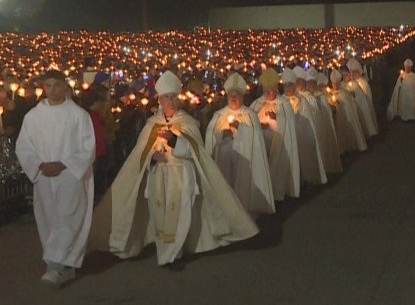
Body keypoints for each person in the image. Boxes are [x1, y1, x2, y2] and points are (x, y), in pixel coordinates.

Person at [89, 71, 258, 271]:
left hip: (181, 175)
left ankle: (174, 254)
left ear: (178, 99)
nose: (169, 101)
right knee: (160, 215)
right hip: (158, 176)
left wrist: (174, 140)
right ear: (159, 100)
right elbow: (141, 153)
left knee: (179, 214)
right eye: (165, 97)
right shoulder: (152, 124)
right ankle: (165, 251)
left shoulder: (186, 122)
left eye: (172, 97)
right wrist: (152, 157)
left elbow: (195, 151)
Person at [16, 70, 96, 287]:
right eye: (48, 85)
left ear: (65, 87)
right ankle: (65, 266)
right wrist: (39, 165)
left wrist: (63, 164)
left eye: (56, 85)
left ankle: (55, 266)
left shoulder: (79, 116)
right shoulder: (33, 117)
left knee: (67, 218)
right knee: (49, 219)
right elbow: (24, 147)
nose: (52, 90)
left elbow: (88, 147)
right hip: (43, 176)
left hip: (69, 174)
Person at [205, 73, 275, 216]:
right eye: (231, 96)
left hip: (244, 160)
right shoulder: (219, 115)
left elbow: (256, 138)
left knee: (242, 187)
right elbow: (210, 138)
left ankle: (244, 210)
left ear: (242, 97)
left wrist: (240, 129)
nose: (234, 99)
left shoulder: (249, 115)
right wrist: (222, 134)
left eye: (236, 96)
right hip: (224, 161)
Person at [250, 68, 301, 200]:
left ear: (276, 89)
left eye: (271, 91)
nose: (268, 93)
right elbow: (250, 121)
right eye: (266, 91)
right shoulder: (257, 104)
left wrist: (276, 118)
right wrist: (258, 125)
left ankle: (277, 191)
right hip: (261, 141)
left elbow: (289, 124)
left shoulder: (283, 104)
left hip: (278, 141)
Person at [284, 68, 328, 186]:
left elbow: (306, 118)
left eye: (299, 82)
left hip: (301, 134)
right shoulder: (282, 100)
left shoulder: (304, 99)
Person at [328, 70, 368, 153]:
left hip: (347, 117)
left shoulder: (344, 93)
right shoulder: (330, 93)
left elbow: (349, 105)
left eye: (337, 83)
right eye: (333, 84)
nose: (335, 85)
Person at [346, 58, 378, 137]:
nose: (353, 74)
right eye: (351, 72)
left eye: (355, 72)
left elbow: (367, 95)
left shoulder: (363, 83)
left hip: (363, 105)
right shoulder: (350, 83)